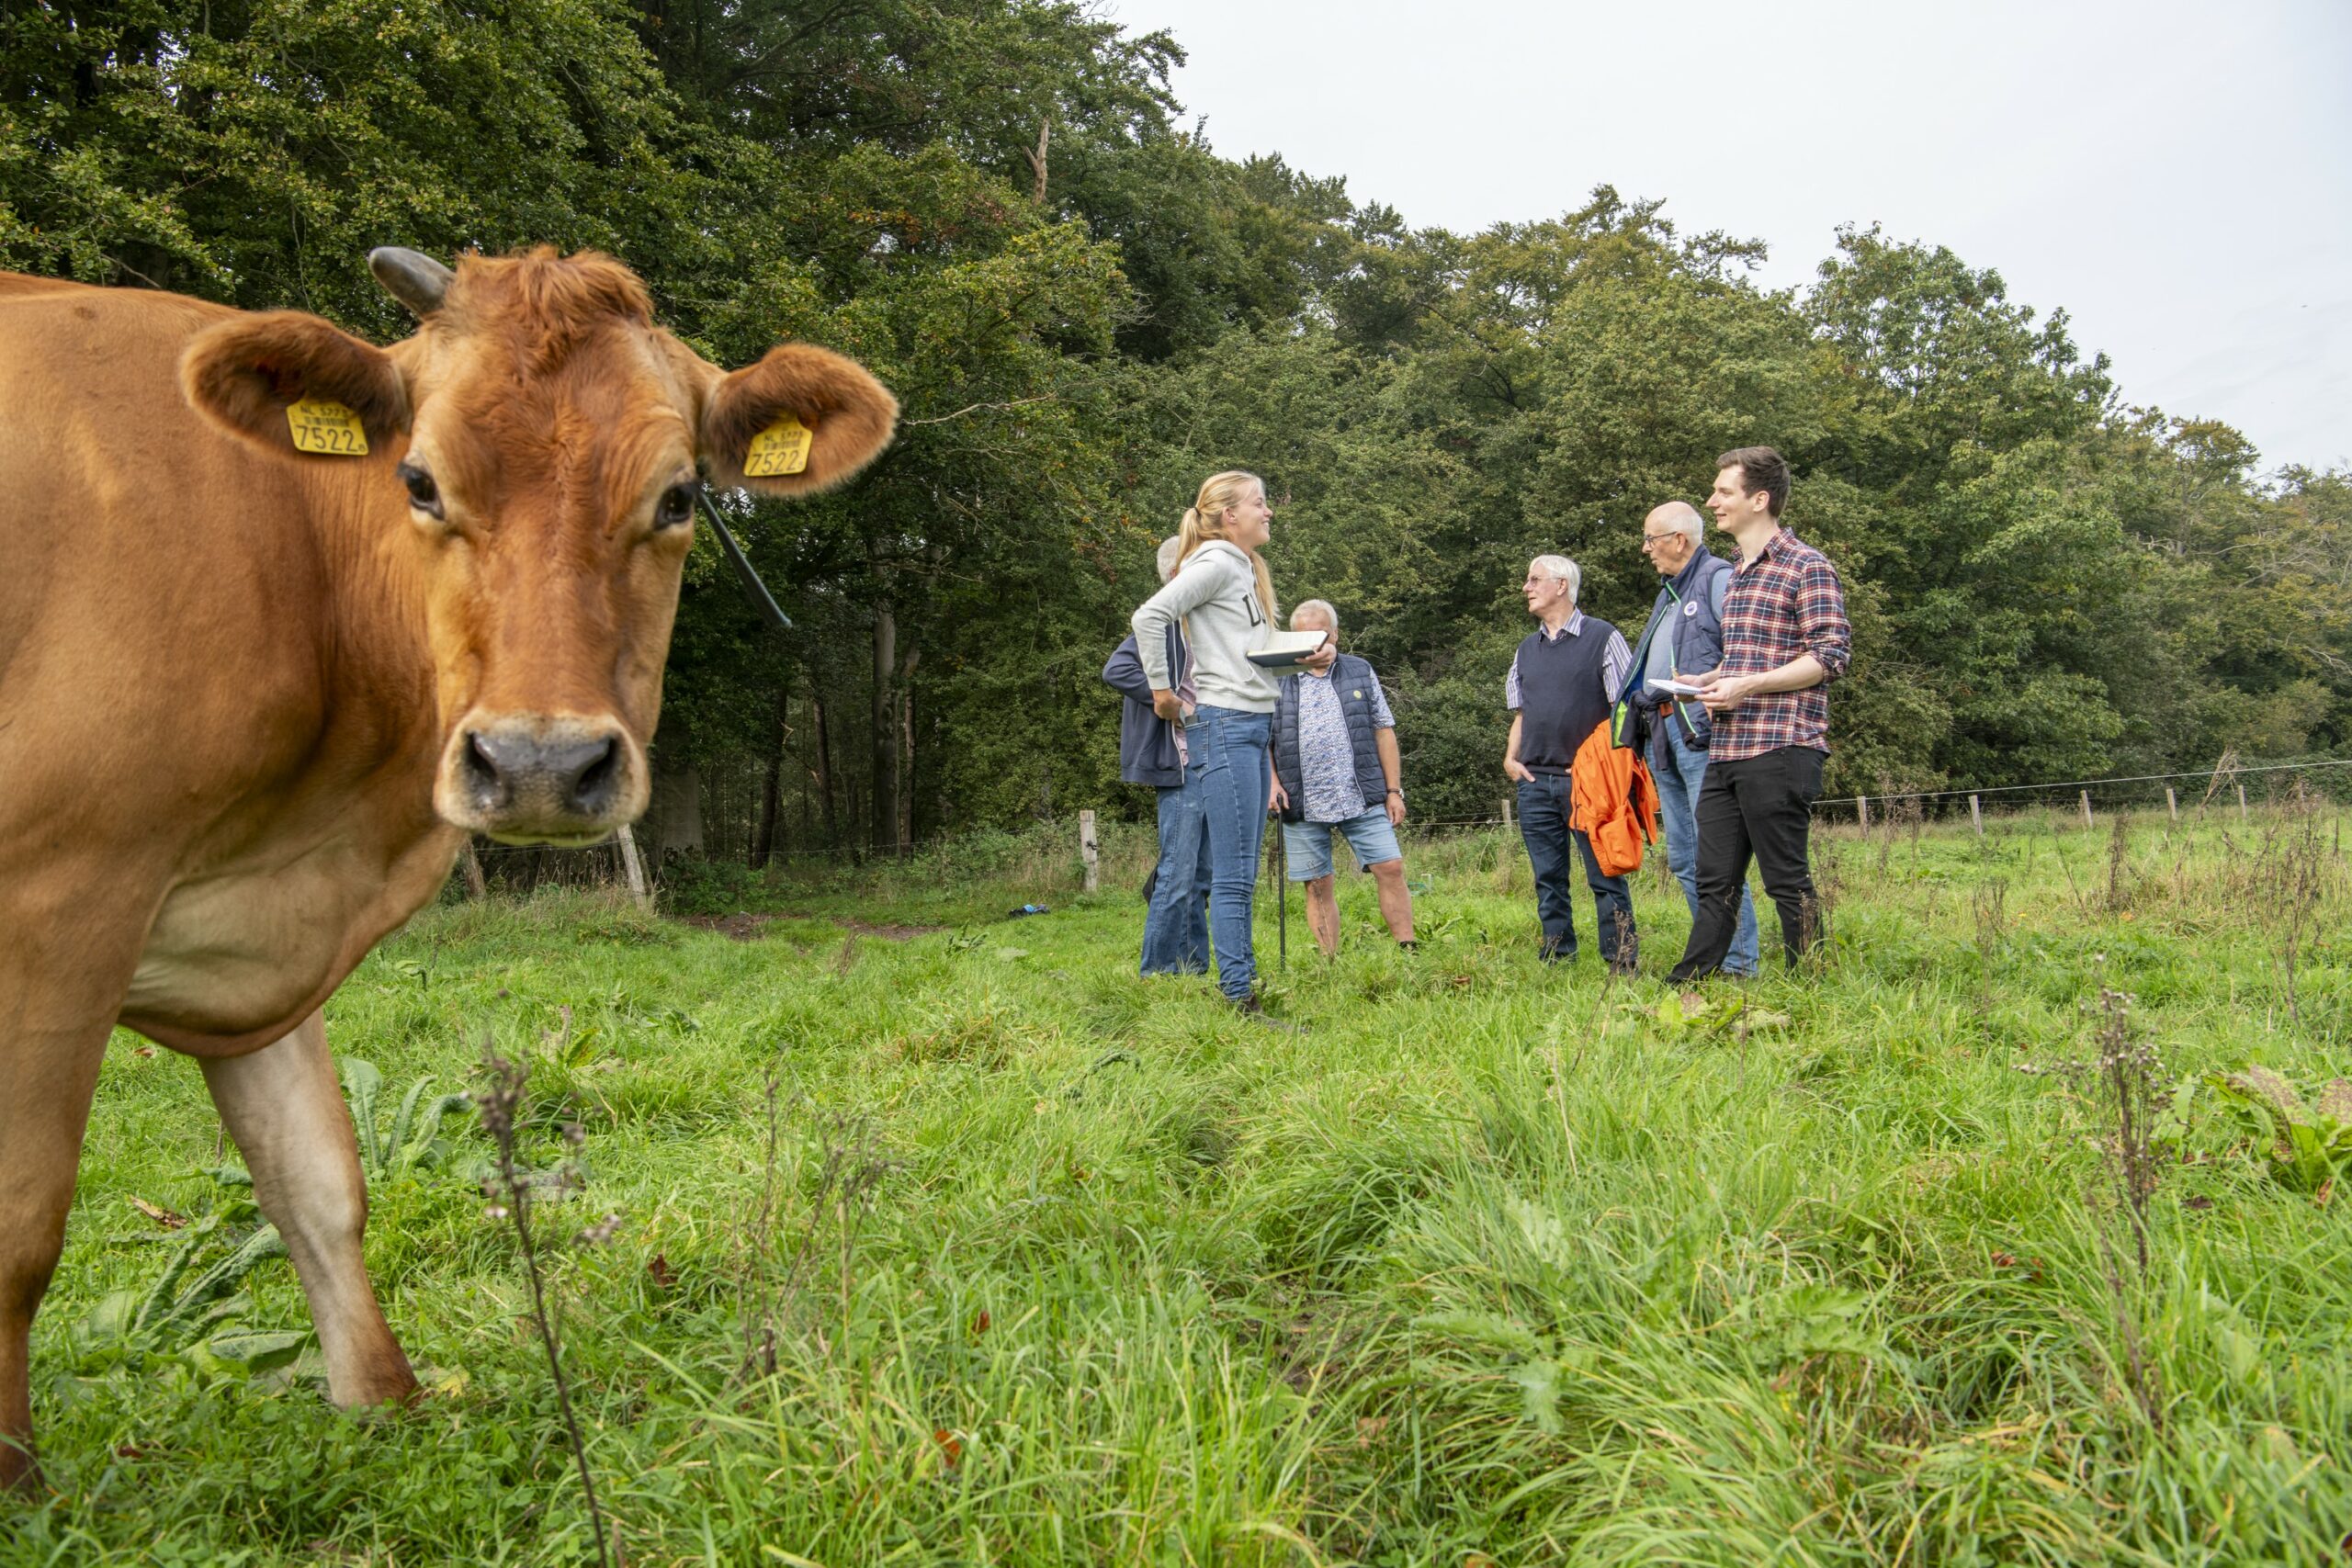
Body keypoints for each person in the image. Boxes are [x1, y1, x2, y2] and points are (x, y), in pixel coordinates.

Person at [1132, 471, 1325, 1013]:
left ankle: (1239, 990)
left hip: (1250, 724)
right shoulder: (1215, 561)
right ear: (1228, 516)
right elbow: (1149, 616)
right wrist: (1164, 693)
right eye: (1259, 504)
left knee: (1235, 872)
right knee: (1236, 877)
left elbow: (1251, 650)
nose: (1269, 512)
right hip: (1225, 725)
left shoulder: (1243, 568)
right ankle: (1240, 999)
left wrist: (1304, 653)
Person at [1668, 446, 1852, 982]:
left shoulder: (1807, 565)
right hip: (1727, 749)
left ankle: (1810, 982)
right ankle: (1692, 980)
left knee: (1785, 878)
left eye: (1724, 492)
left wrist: (1747, 686)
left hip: (1782, 745)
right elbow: (1750, 656)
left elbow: (1829, 655)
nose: (1713, 502)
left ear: (1760, 499)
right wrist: (1711, 679)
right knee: (1713, 879)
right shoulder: (1741, 574)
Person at [1628, 501, 1760, 978]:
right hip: (1664, 734)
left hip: (1704, 737)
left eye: (1651, 539)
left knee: (1715, 857)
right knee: (1684, 857)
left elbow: (1751, 653)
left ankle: (1740, 965)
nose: (1646, 549)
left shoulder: (1718, 579)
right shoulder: (1667, 594)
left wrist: (1706, 682)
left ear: (1678, 540)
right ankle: (1714, 955)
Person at [1503, 555, 1637, 970]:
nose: (1526, 587)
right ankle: (1557, 957)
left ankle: (1621, 961)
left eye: (1534, 579)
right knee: (1548, 879)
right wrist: (1510, 759)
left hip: (1589, 784)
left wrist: (1610, 773)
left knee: (1605, 875)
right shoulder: (1527, 649)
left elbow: (1625, 711)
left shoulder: (1604, 637)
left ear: (1561, 586)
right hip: (1534, 782)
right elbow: (1521, 713)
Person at [1268, 600, 1415, 955]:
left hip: (1361, 793)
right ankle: (1329, 960)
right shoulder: (1275, 675)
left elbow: (1384, 730)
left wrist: (1393, 790)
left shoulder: (1360, 670)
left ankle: (1408, 949)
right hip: (1300, 798)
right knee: (1317, 884)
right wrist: (1271, 783)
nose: (1311, 641)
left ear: (1333, 633)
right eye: (1302, 635)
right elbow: (1261, 740)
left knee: (1391, 867)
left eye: (1318, 633)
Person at [1102, 536, 1210, 976]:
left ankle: (1193, 969)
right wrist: (1169, 702)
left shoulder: (1204, 626)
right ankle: (1157, 973)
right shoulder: (1162, 624)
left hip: (1211, 756)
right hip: (1179, 760)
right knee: (1178, 872)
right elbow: (1117, 669)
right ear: (1176, 576)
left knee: (1202, 876)